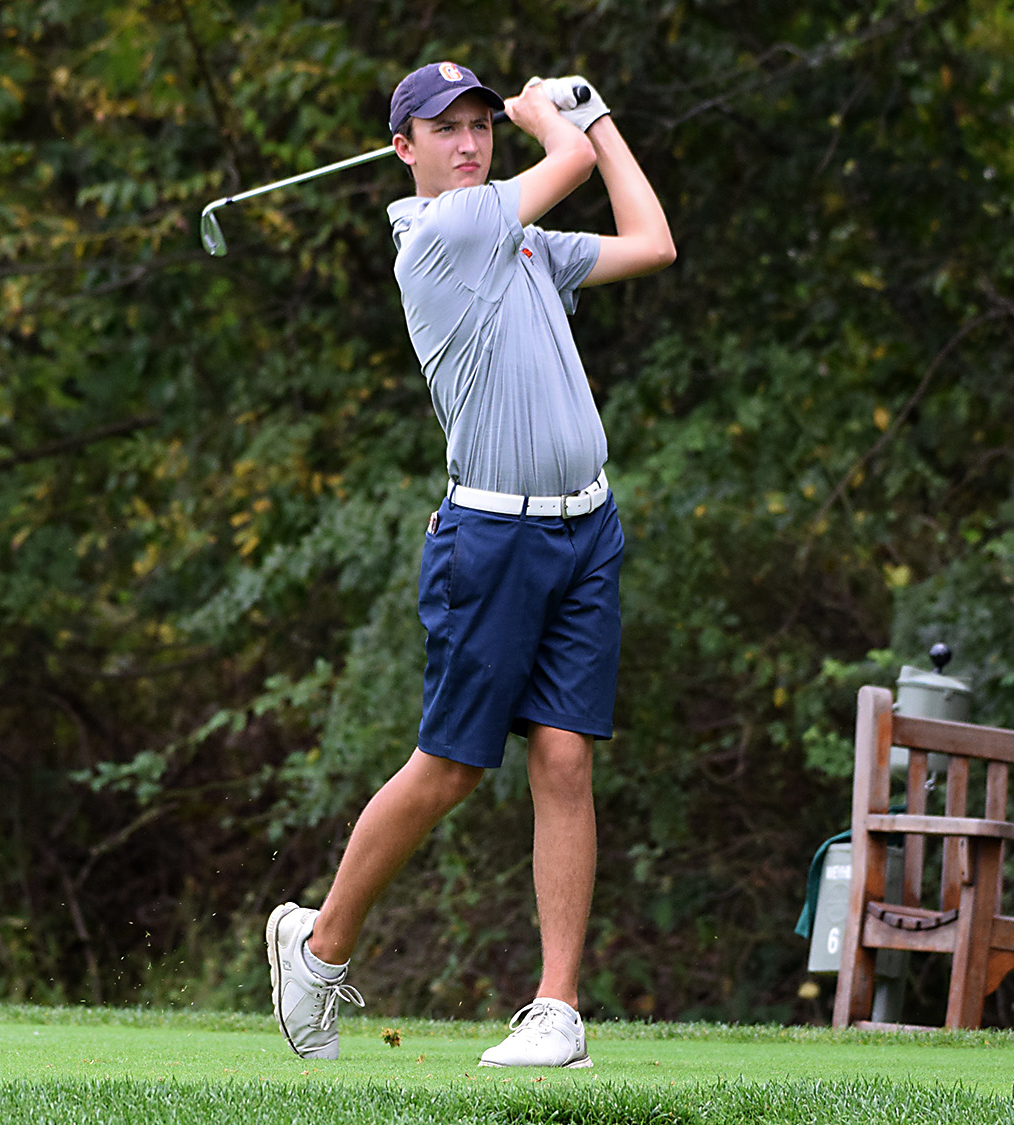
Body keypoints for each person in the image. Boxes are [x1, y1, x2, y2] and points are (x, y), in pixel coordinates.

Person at [266, 60, 675, 1069]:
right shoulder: (443, 234)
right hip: (488, 541)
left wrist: (600, 118)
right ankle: (318, 949)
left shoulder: (521, 239)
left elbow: (652, 242)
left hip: (585, 528)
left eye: (483, 124)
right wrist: (558, 119)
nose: (470, 141)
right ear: (401, 149)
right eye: (444, 128)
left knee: (566, 759)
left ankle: (555, 1010)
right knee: (450, 767)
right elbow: (567, 162)